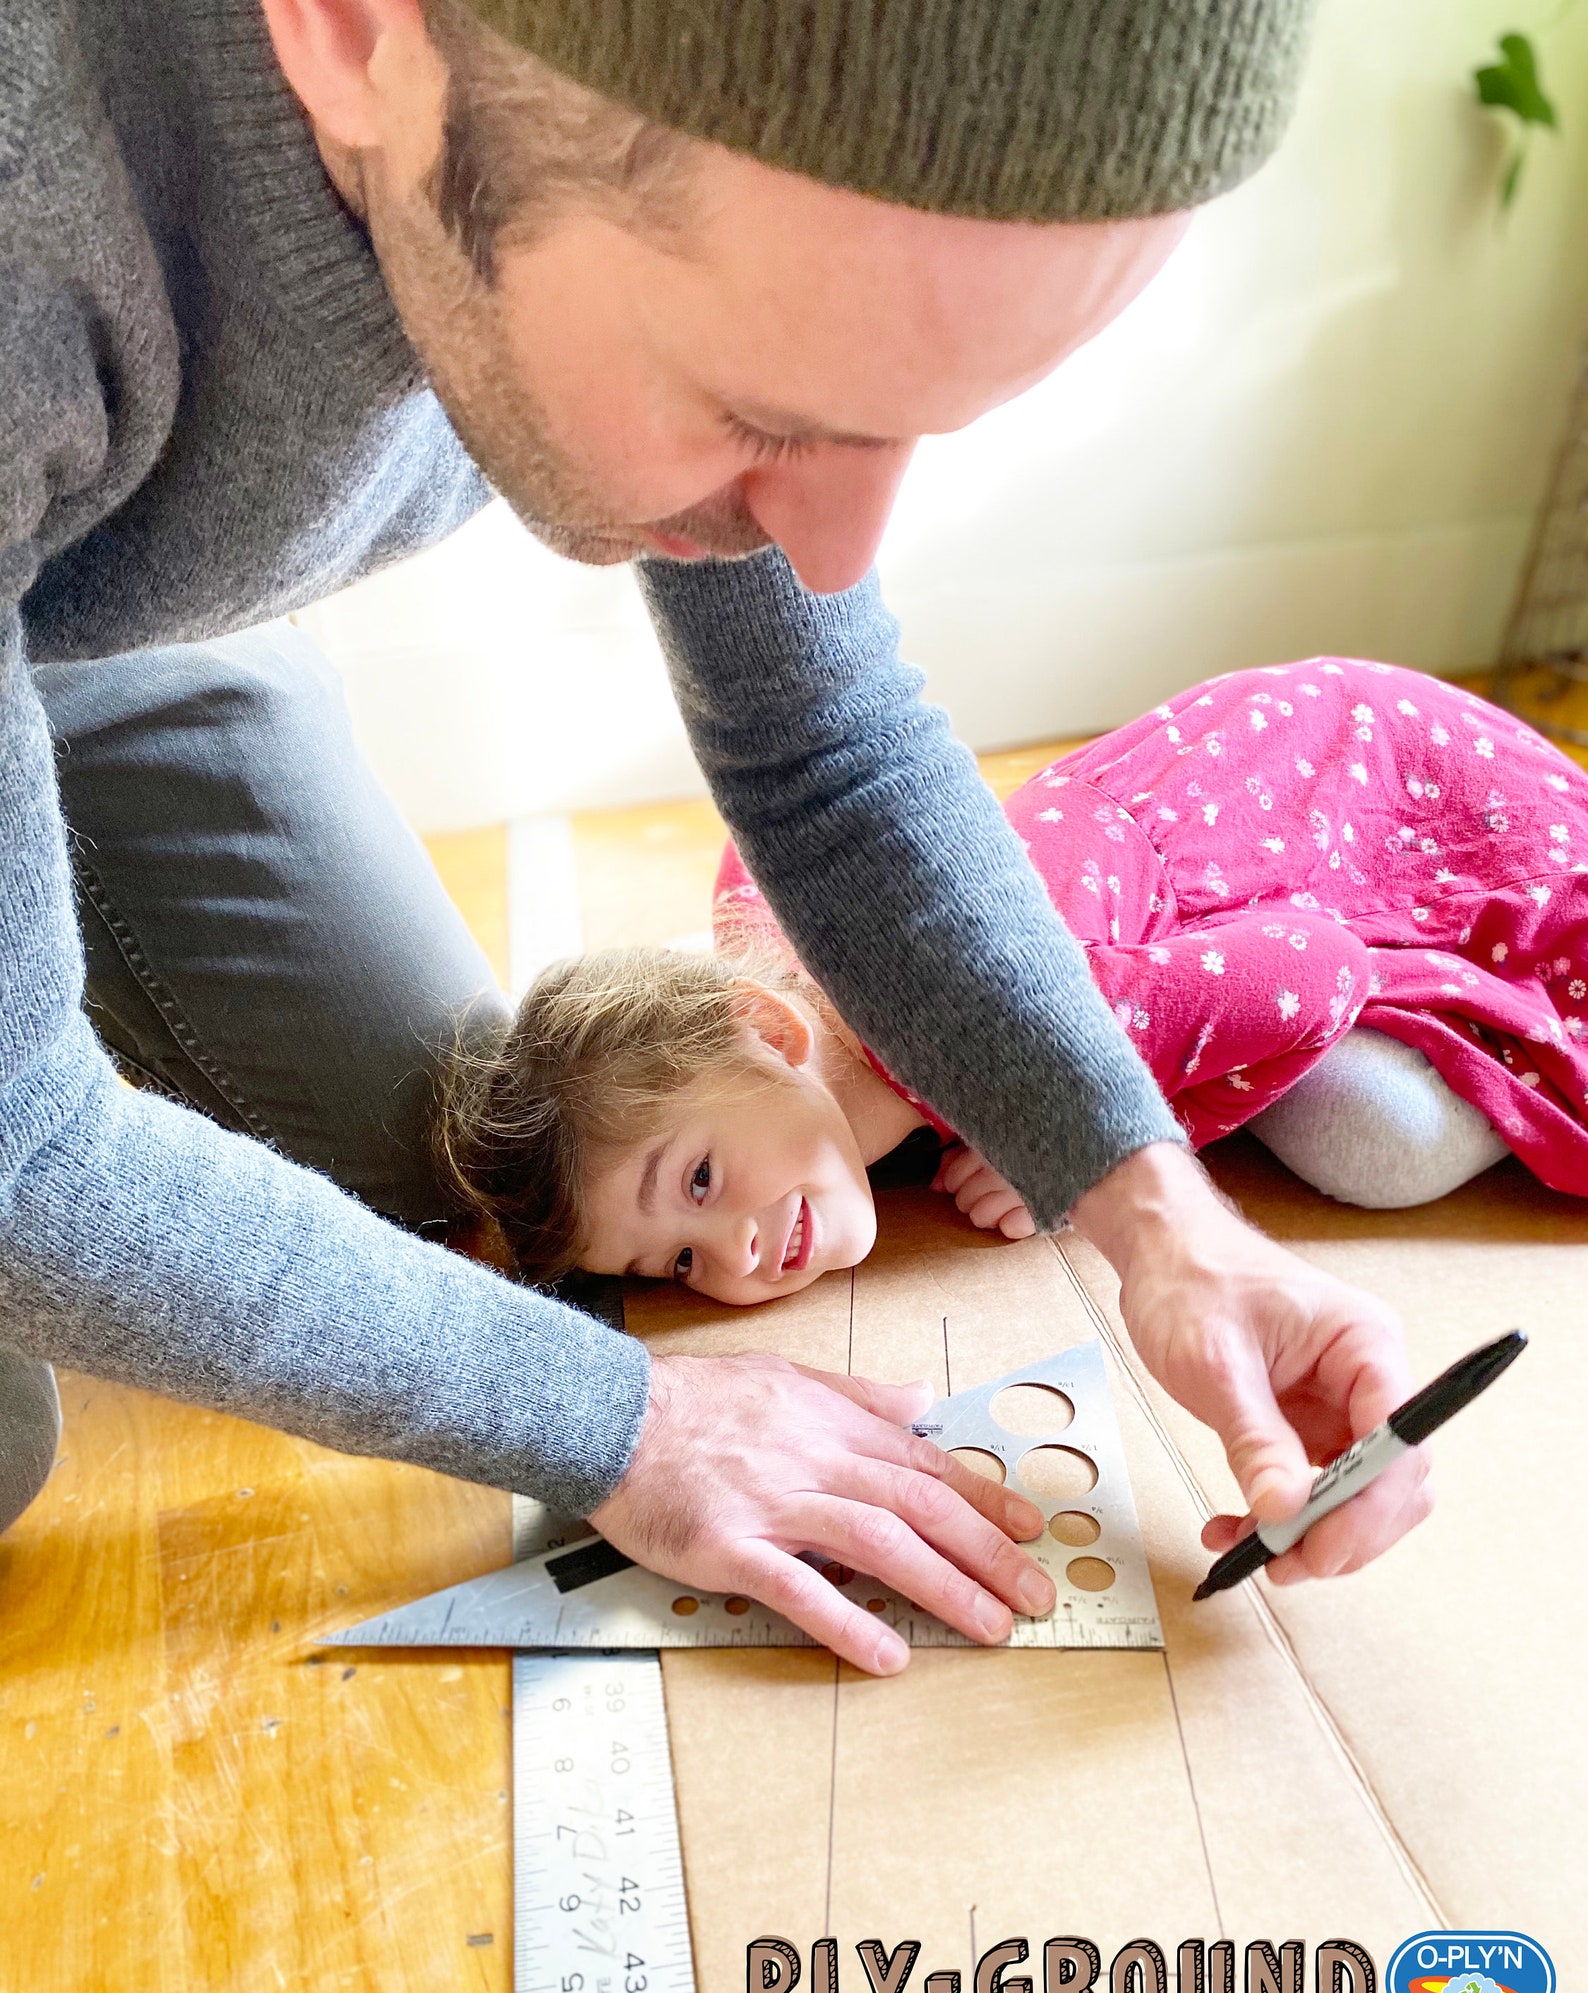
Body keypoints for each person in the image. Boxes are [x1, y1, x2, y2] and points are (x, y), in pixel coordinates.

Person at [0, 0, 1421, 1680]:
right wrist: (629, 1424)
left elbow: (823, 750)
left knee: (423, 1144)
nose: (829, 555)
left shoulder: (622, 145)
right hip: (53, 448)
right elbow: (20, 1154)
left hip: (125, 601)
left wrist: (1156, 1217)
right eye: (763, 413)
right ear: (361, 37)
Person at [442, 653, 1586, 1320]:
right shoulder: (774, 965)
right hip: (1221, 790)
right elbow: (748, 859)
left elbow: (1318, 968)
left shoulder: (1036, 1007)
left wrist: (1088, 1137)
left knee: (1370, 1145)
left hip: (1395, 796)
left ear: (767, 1025)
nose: (734, 1248)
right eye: (679, 1263)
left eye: (696, 1177)